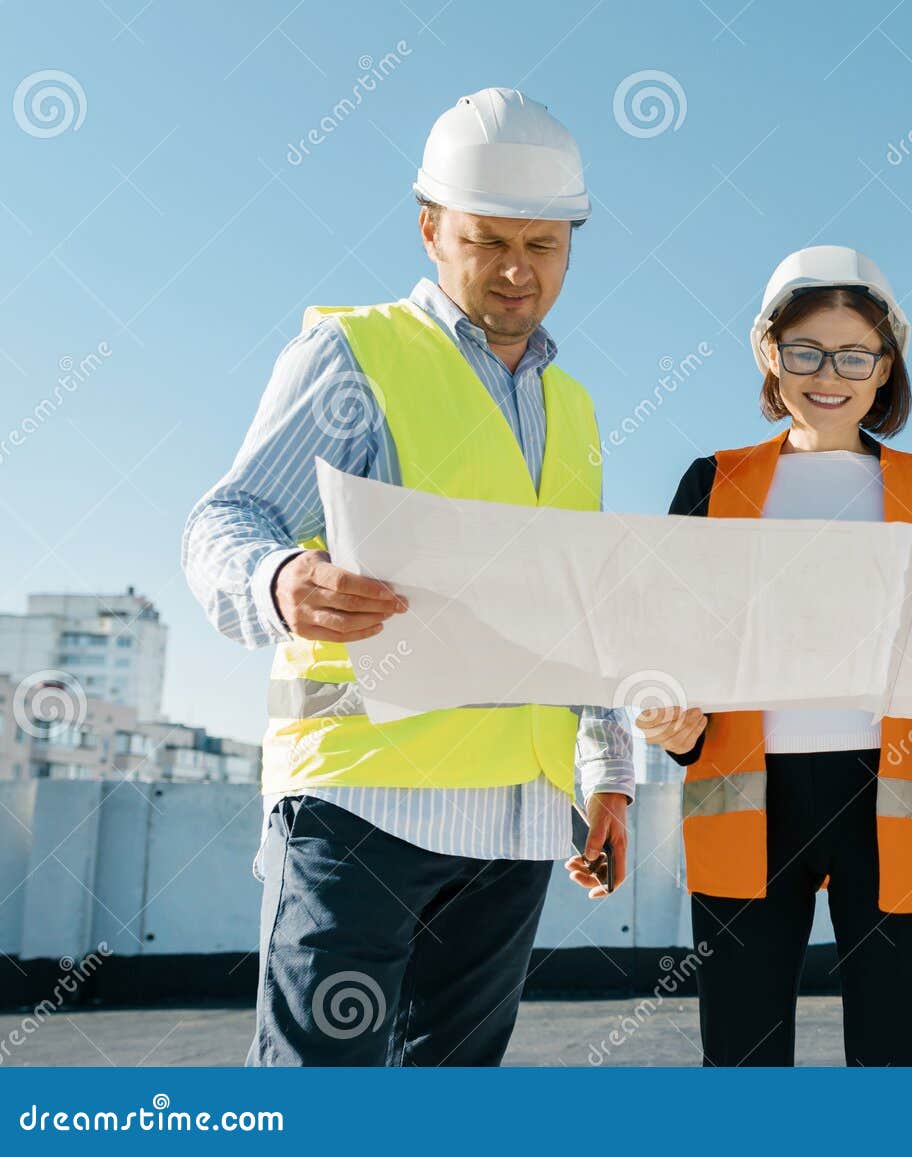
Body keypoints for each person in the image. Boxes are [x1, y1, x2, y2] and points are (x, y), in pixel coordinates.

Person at [181, 88, 634, 1066]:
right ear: (431, 229)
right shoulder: (356, 355)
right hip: (361, 800)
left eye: (543, 244)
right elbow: (227, 518)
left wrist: (607, 775)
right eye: (487, 240)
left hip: (517, 814)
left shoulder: (576, 407)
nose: (516, 270)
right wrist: (278, 579)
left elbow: (585, 607)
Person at [600, 245, 912, 1066]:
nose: (829, 375)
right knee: (741, 1056)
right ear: (769, 353)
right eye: (806, 350)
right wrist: (670, 721)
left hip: (895, 799)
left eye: (854, 355)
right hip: (749, 800)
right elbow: (664, 642)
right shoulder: (713, 482)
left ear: (886, 366)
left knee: (894, 1056)